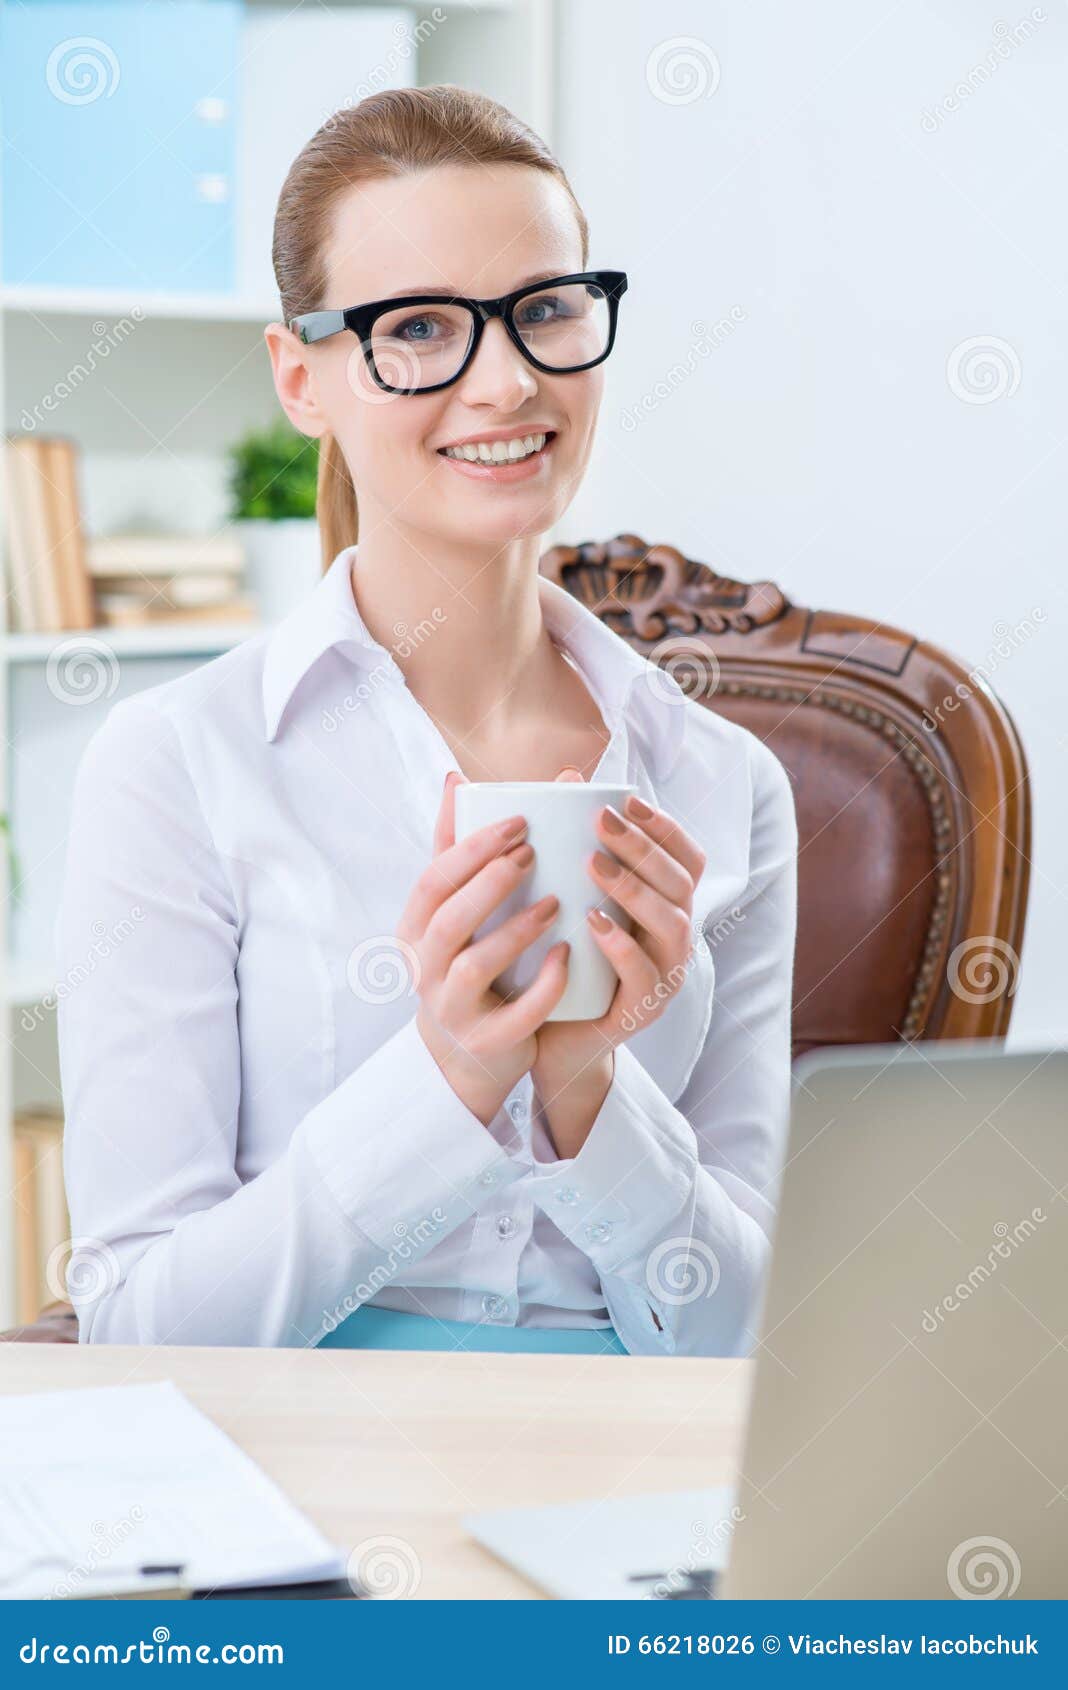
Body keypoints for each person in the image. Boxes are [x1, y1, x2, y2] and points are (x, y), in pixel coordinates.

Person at [56, 86, 798, 1355]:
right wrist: (450, 1078)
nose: (506, 381)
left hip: (640, 1503)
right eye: (418, 329)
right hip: (293, 1480)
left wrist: (583, 1090)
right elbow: (139, 1334)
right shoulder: (177, 766)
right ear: (302, 377)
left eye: (548, 309)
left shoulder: (720, 778)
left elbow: (751, 1341)